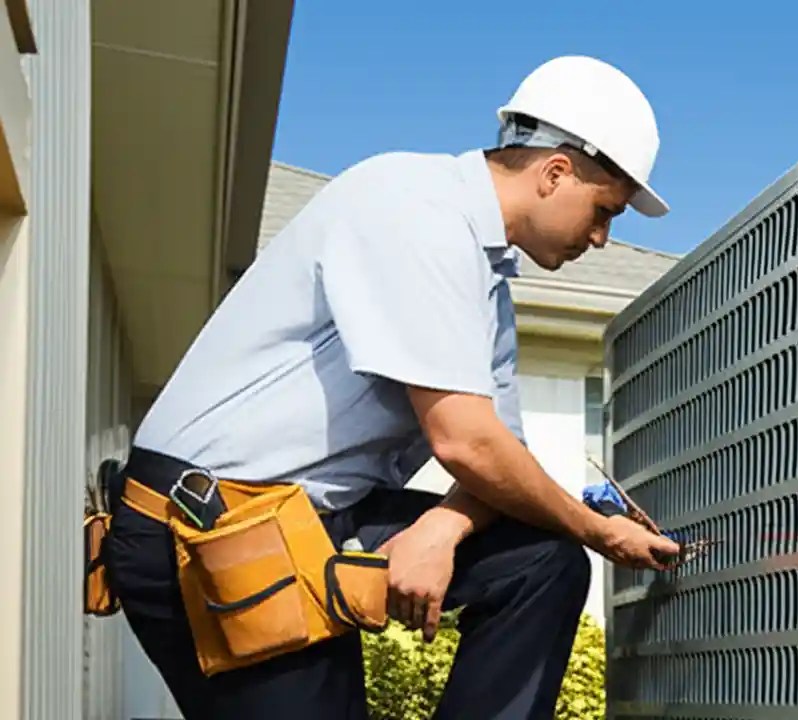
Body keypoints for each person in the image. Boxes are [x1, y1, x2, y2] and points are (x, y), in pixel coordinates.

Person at [103, 54, 681, 720]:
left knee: (541, 563)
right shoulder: (413, 206)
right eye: (603, 210)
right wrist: (599, 531)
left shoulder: (485, 280)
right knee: (565, 545)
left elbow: (498, 460)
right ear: (556, 173)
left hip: (306, 517)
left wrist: (440, 527)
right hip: (208, 527)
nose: (604, 238)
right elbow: (465, 444)